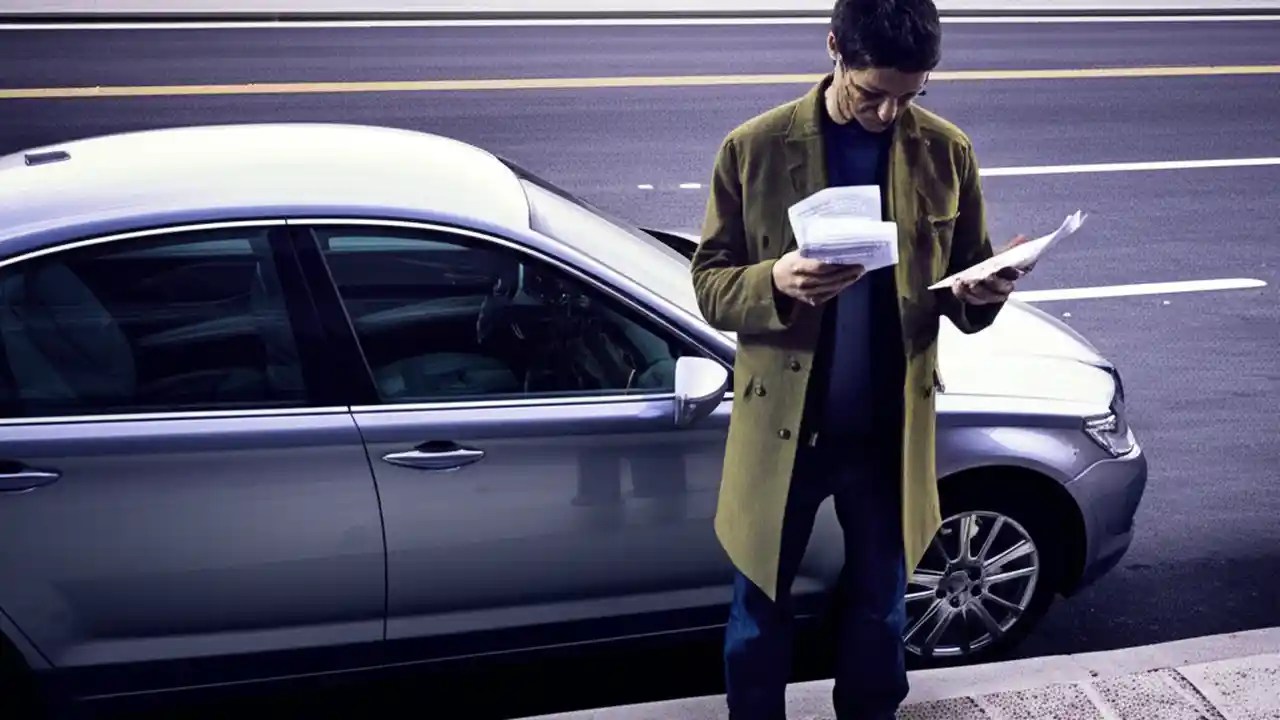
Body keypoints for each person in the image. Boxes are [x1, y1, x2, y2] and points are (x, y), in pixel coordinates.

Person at [689, 1, 1028, 718]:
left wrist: (985, 290)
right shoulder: (754, 147)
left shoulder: (946, 151)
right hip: (784, 433)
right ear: (833, 49)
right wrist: (775, 281)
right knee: (759, 612)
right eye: (871, 93)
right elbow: (710, 285)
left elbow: (964, 280)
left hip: (888, 435)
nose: (887, 113)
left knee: (880, 611)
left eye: (910, 95)